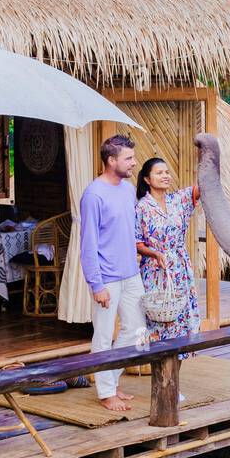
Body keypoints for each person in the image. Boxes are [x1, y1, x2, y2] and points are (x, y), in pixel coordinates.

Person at [79, 134, 145, 414]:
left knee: (137, 329)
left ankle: (112, 380)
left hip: (131, 273)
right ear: (111, 160)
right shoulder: (93, 195)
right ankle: (106, 393)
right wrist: (97, 285)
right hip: (105, 277)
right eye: (128, 158)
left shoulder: (128, 189)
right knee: (104, 335)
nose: (134, 163)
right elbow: (88, 245)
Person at [134, 158, 201, 395]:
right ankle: (161, 385)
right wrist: (154, 252)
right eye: (159, 172)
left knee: (180, 328)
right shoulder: (142, 207)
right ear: (147, 179)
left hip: (180, 271)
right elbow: (137, 242)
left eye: (166, 172)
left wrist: (208, 156)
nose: (165, 176)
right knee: (160, 328)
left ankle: (172, 385)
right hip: (156, 272)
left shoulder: (178, 200)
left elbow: (201, 187)